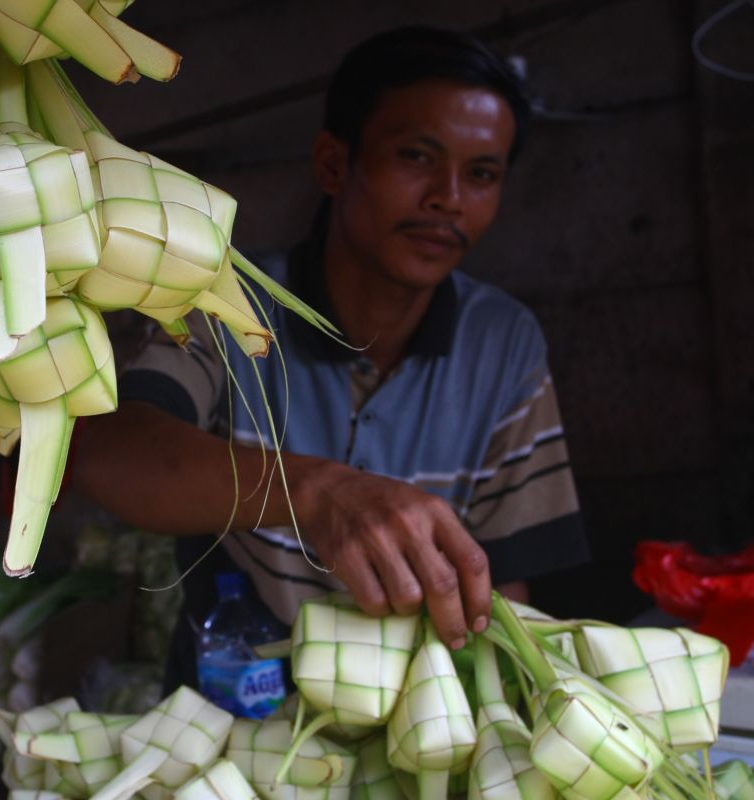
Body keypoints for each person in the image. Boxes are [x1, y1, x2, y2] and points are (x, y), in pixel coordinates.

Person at [72, 25, 591, 686]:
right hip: (237, 718)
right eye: (416, 157)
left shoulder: (502, 341)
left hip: (408, 730)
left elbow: (501, 591)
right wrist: (314, 492)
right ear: (333, 164)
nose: (449, 198)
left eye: (482, 173)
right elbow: (108, 451)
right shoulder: (227, 306)